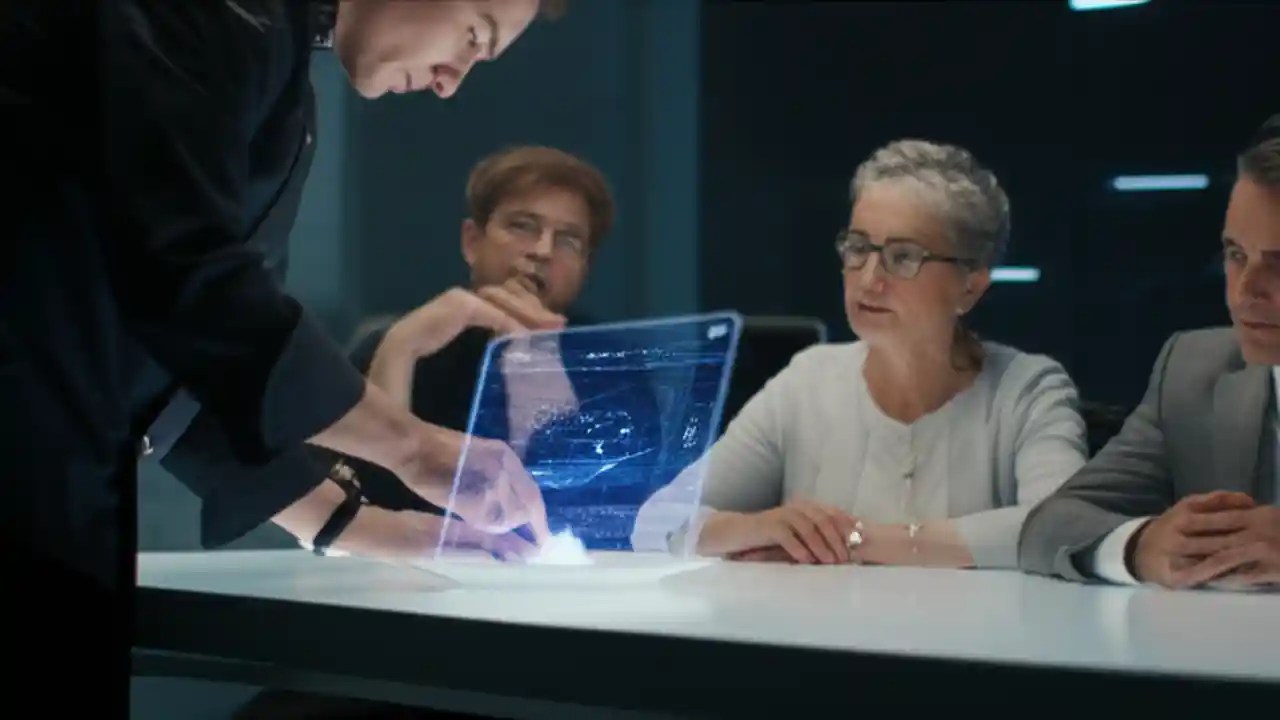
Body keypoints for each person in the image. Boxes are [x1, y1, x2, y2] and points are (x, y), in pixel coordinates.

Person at [1, 0, 561, 705]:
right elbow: (187, 278)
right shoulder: (213, 19)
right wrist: (413, 447)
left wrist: (363, 526)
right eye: (474, 34)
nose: (453, 79)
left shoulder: (273, 61)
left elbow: (183, 363)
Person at [634, 139, 1088, 570]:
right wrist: (758, 527)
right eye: (858, 248)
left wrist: (856, 541)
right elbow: (655, 522)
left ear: (969, 286)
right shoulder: (808, 382)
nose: (870, 278)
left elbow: (1065, 528)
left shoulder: (1028, 390)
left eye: (903, 256)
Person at [172, 145, 616, 561]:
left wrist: (536, 381)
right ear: (472, 241)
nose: (540, 250)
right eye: (522, 225)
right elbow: (353, 499)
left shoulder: (615, 367)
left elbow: (606, 519)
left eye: (568, 240)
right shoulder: (398, 339)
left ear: (585, 267)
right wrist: (399, 351)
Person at [1018, 114, 1280, 591]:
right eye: (1235, 255)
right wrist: (1140, 545)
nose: (1245, 293)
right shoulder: (1192, 371)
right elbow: (1049, 525)